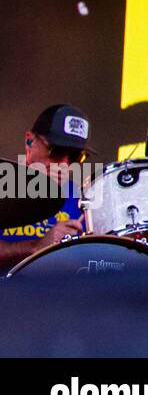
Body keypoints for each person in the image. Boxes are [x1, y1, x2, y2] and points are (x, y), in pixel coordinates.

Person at [0, 104, 90, 272]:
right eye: (56, 151)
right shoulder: (4, 183)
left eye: (74, 156)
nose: (64, 164)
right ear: (29, 141)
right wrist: (35, 246)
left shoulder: (84, 203)